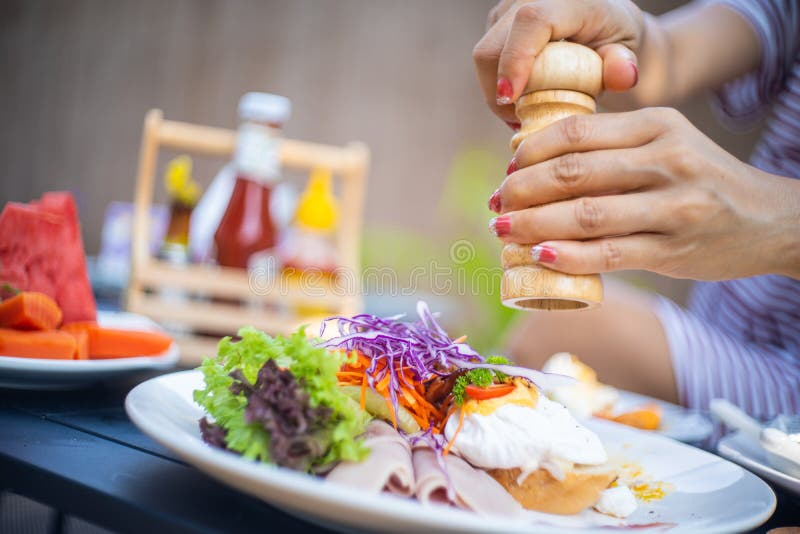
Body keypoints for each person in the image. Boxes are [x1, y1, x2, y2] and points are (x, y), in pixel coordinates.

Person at [475, 0, 800, 421]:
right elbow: (671, 54)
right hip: (726, 332)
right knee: (555, 342)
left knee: (557, 337)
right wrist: (631, 40)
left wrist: (779, 225)